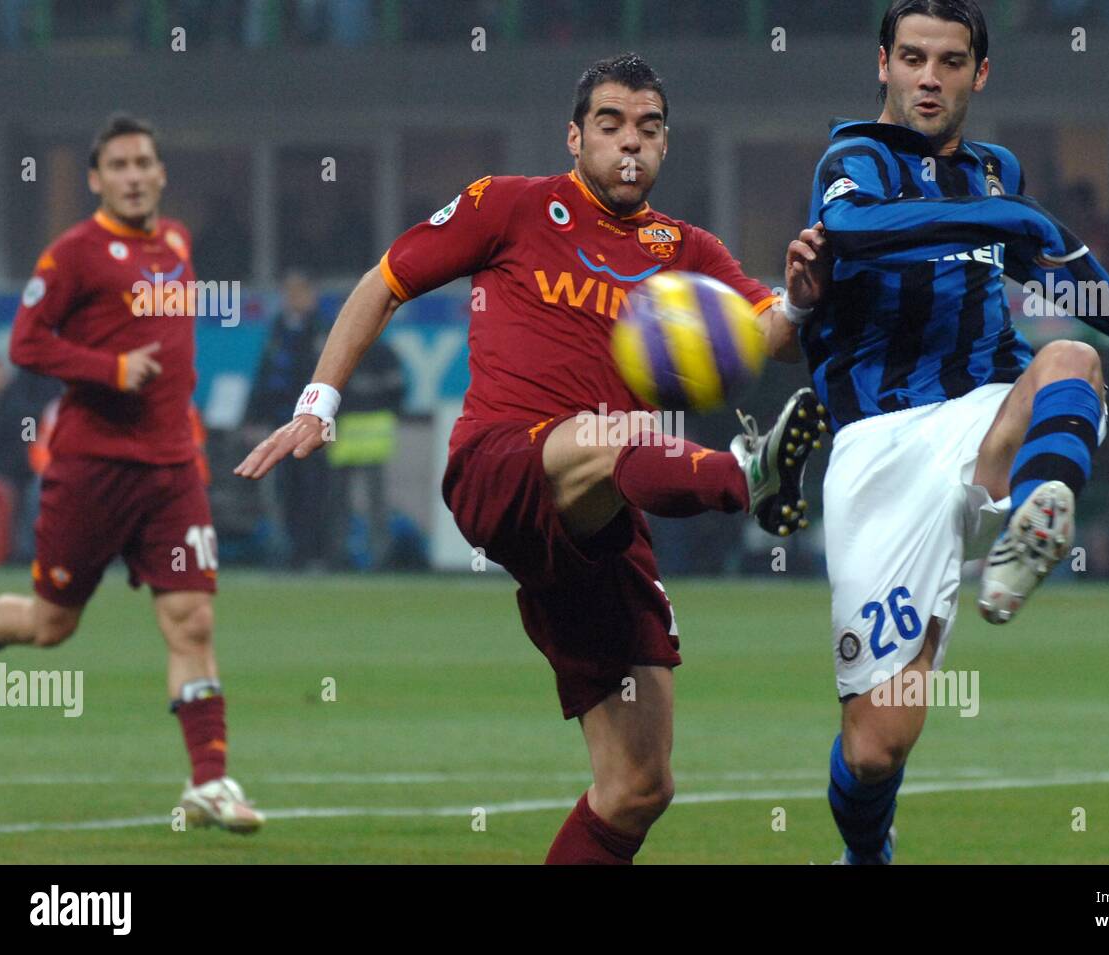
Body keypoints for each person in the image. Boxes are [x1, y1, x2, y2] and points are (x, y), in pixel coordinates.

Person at [236, 53, 825, 864]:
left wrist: (797, 297)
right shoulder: (508, 206)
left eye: (649, 130)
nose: (630, 144)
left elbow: (766, 335)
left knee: (637, 786)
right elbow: (384, 283)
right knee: (612, 432)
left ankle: (742, 476)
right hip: (502, 467)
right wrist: (318, 400)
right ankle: (745, 476)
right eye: (611, 125)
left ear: (665, 146)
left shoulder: (687, 250)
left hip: (605, 514)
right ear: (575, 135)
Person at [770, 0, 1109, 863]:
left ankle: (1036, 512)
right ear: (884, 64)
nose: (931, 78)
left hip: (982, 412)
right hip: (879, 449)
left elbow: (1057, 268)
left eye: (951, 62)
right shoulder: (852, 159)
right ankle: (865, 853)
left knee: (1069, 360)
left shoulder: (996, 172)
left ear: (980, 73)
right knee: (877, 743)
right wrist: (1012, 222)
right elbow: (855, 229)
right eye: (915, 59)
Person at [0, 114, 262, 833]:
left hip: (172, 470)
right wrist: (108, 369)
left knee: (191, 618)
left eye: (145, 162)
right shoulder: (74, 253)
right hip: (92, 470)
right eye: (120, 165)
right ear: (97, 179)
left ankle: (211, 780)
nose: (135, 174)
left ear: (161, 173)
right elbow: (25, 342)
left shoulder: (176, 242)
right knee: (50, 627)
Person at [246, 269, 335, 569]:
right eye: (289, 292)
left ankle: (316, 553)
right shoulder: (278, 329)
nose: (293, 298)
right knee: (286, 490)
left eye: (299, 292)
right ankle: (292, 552)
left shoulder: (322, 329)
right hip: (281, 423)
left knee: (315, 490)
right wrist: (254, 416)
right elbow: (266, 373)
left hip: (313, 425)